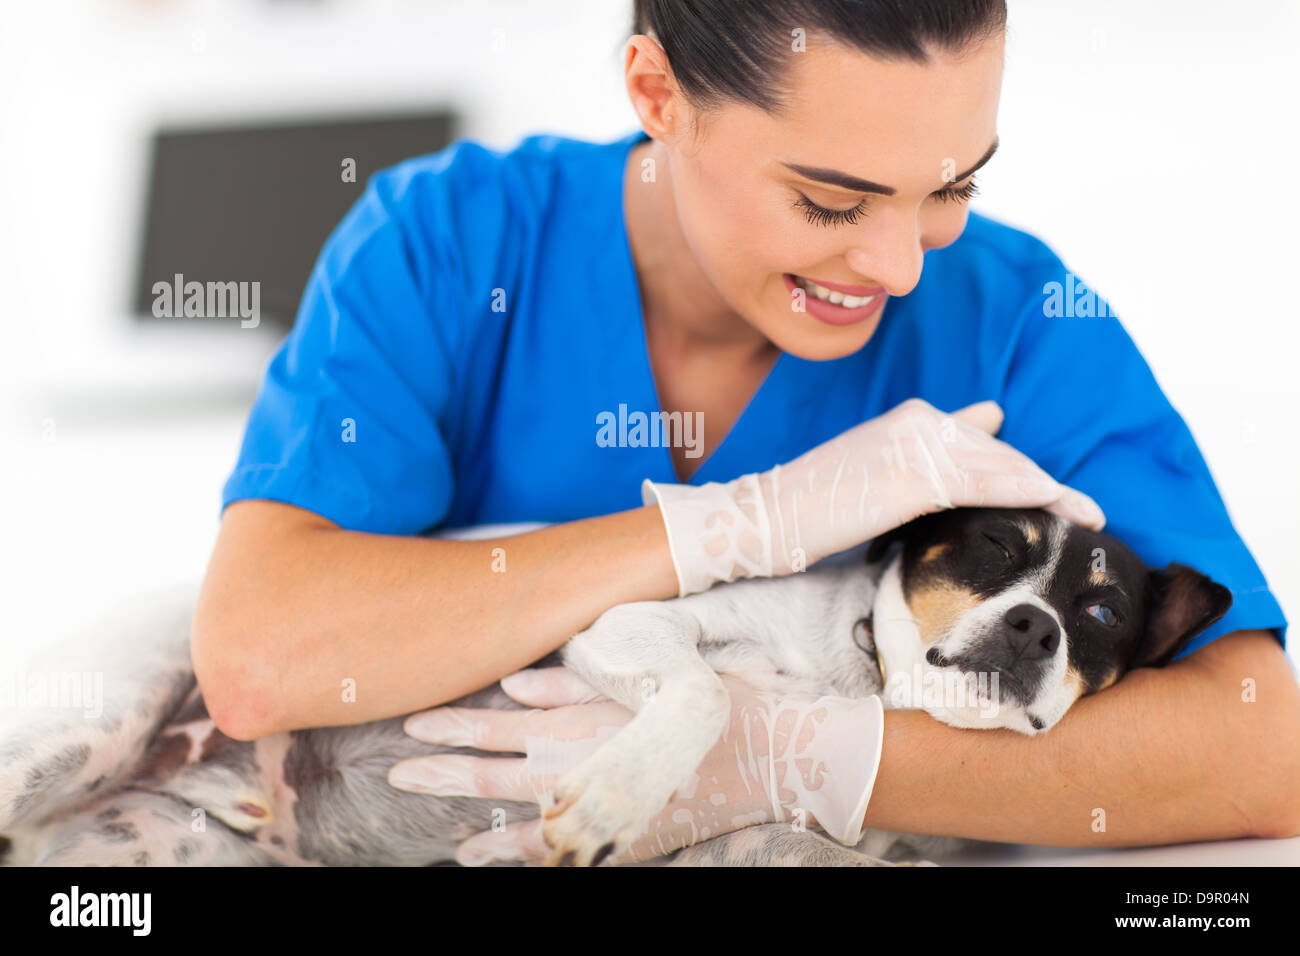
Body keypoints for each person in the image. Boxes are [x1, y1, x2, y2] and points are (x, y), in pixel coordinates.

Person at [192, 0, 1296, 865]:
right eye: (830, 199)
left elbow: (1257, 751)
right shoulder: (445, 245)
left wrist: (795, 758)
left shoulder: (1015, 322)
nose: (904, 267)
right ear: (656, 92)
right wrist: (727, 528)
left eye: (951, 187)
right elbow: (261, 653)